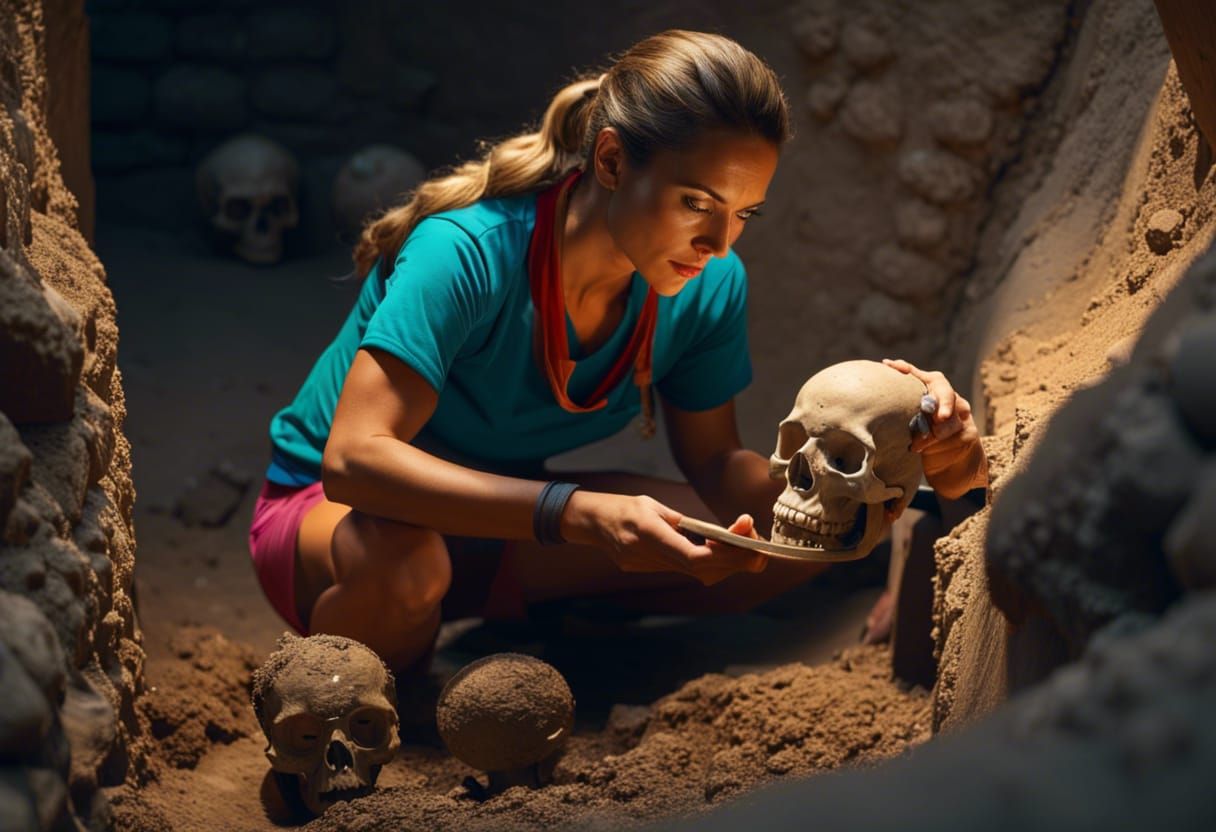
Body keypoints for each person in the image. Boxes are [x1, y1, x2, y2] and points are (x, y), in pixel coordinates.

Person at [248, 30, 987, 675]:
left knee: (762, 551)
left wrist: (894, 469)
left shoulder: (708, 283)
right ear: (610, 160)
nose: (718, 242)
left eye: (743, 214)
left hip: (502, 523)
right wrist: (576, 513)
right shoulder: (467, 252)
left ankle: (547, 619)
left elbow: (716, 465)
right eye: (696, 202)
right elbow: (353, 462)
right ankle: (370, 699)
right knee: (407, 563)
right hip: (343, 525)